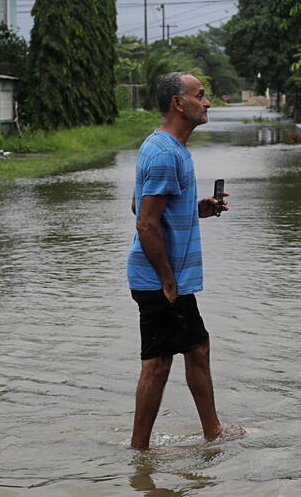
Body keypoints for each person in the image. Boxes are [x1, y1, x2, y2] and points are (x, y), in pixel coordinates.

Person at [127, 71, 229, 451]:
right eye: (200, 96)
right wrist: (167, 280)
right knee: (157, 365)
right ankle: (139, 453)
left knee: (197, 348)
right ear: (178, 103)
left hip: (170, 277)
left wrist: (195, 209)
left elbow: (141, 204)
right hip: (160, 279)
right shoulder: (165, 154)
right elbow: (145, 224)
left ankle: (213, 432)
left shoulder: (167, 149)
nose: (206, 103)